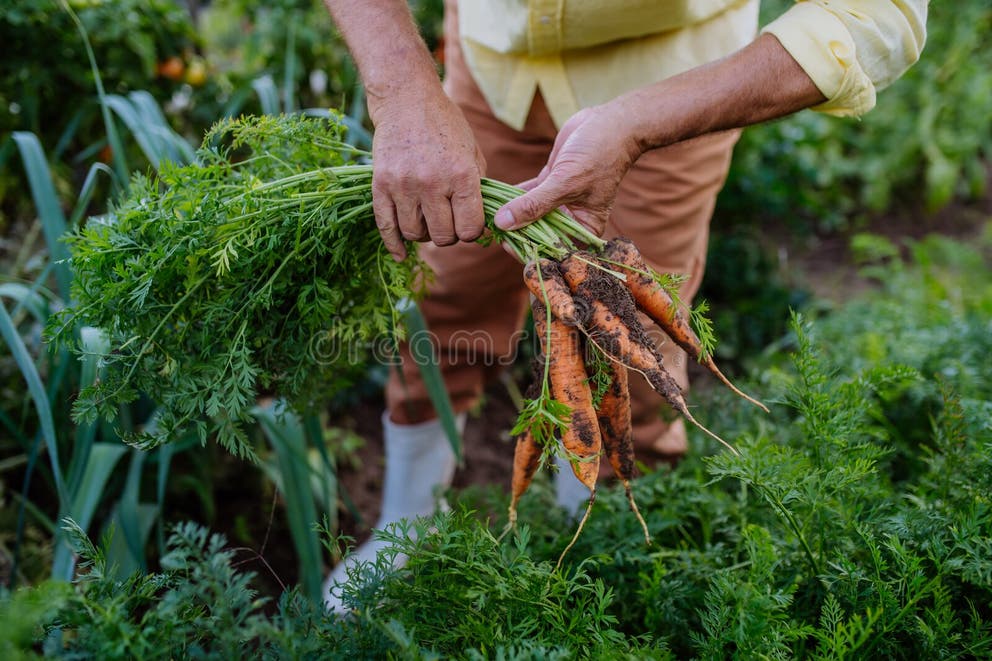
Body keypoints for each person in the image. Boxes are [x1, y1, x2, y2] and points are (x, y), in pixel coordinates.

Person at [320, 0, 928, 609]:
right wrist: (402, 92)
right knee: (444, 311)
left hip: (674, 87)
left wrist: (637, 124)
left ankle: (591, 547)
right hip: (493, 64)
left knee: (628, 359)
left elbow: (882, 15)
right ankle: (406, 525)